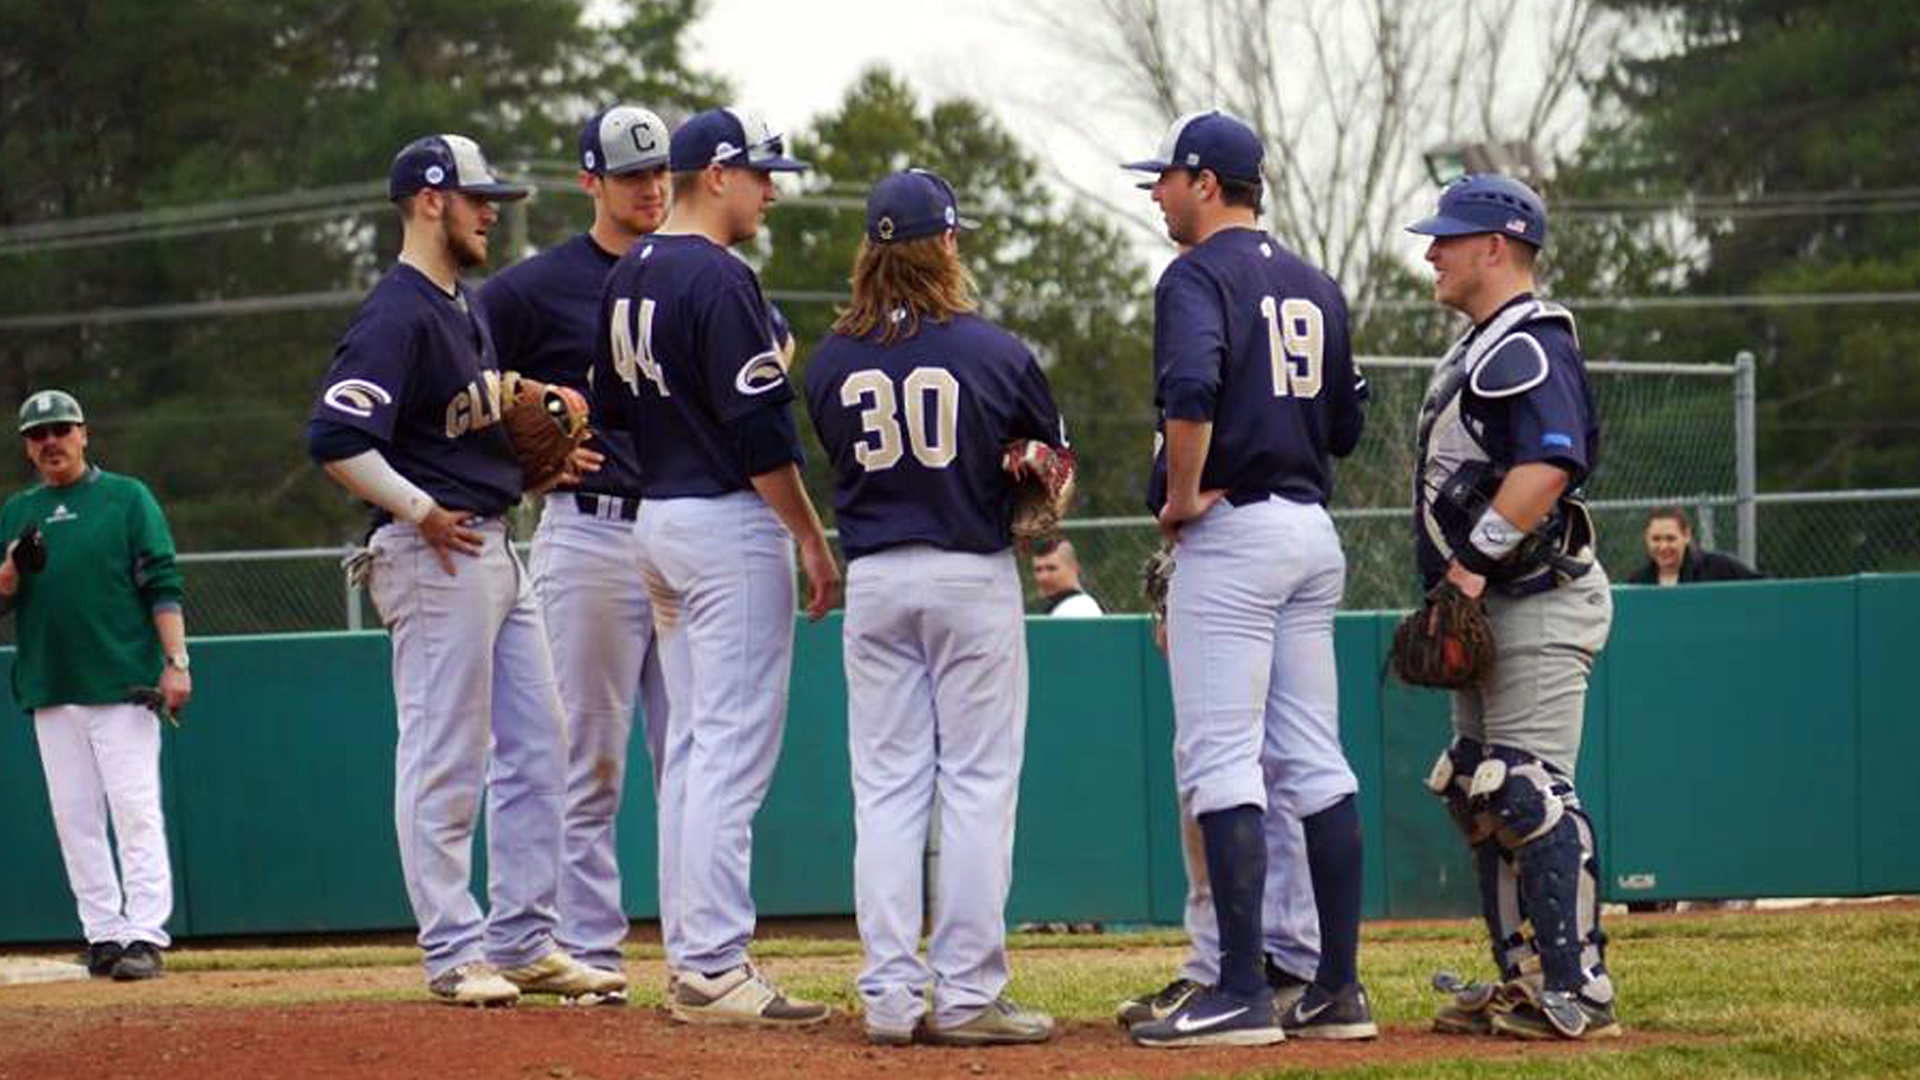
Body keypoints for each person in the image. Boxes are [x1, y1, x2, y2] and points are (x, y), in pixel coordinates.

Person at [306, 133, 624, 1008]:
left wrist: (530, 468)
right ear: (429, 200)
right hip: (431, 551)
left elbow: (457, 433)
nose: (493, 211)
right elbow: (336, 438)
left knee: (541, 747)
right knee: (446, 755)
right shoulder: (396, 313)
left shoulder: (466, 306)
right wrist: (416, 508)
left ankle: (523, 940)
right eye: (479, 197)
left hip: (494, 541)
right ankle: (452, 949)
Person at [1120, 110, 1372, 1048]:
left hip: (1233, 533)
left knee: (1220, 759)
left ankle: (1237, 989)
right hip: (1311, 529)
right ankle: (1337, 989)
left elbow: (1190, 389)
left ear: (1208, 182)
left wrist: (1182, 494)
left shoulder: (1194, 274)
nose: (1157, 194)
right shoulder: (1316, 281)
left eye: (1167, 179)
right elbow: (1347, 426)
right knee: (1317, 759)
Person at [590, 107, 839, 1026]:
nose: (772, 190)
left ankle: (696, 955)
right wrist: (812, 538)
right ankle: (715, 966)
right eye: (762, 174)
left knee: (693, 750)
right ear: (719, 174)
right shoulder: (722, 277)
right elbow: (763, 434)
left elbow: (609, 409)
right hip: (728, 524)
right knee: (728, 754)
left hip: (656, 518)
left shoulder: (630, 271)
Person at [804, 169, 1064, 1047]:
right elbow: (1050, 475)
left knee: (885, 791)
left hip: (875, 578)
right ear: (945, 243)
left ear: (870, 252)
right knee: (977, 788)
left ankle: (887, 997)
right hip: (968, 570)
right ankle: (964, 996)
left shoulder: (832, 359)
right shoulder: (995, 351)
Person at [1405, 173, 1619, 1040]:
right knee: (1476, 790)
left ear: (1496, 246)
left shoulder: (1526, 342)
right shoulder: (1485, 343)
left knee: (1528, 791)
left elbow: (1548, 466)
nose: (1431, 252)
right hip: (1496, 602)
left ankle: (1579, 990)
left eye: (1447, 238)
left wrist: (1467, 569)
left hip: (1533, 598)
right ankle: (1525, 979)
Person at [478, 105, 674, 1004]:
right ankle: (591, 952)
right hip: (589, 533)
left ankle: (706, 952)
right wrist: (522, 459)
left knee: (695, 758)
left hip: (685, 529)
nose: (650, 186)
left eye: (660, 170)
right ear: (590, 180)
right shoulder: (531, 288)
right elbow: (458, 374)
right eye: (630, 173)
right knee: (586, 758)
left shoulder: (697, 274)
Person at [0, 390, 189, 983]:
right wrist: (10, 568)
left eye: (60, 429)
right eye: (38, 434)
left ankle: (145, 933)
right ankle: (104, 933)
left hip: (122, 681)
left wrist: (176, 661)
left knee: (134, 809)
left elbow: (162, 581)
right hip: (50, 684)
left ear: (84, 433)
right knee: (74, 817)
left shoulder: (126, 497)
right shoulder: (16, 510)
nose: (50, 441)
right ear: (28, 448)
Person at [1628, 506, 1762, 585]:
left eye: (1671, 539)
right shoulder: (1638, 581)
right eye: (1656, 539)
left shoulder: (1719, 567)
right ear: (1646, 539)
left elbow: (1763, 589)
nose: (1663, 547)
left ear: (1686, 536)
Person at [1029, 537, 1104, 616]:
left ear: (1074, 568)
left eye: (1052, 568)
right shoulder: (1064, 605)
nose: (1043, 577)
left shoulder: (1079, 608)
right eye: (1038, 570)